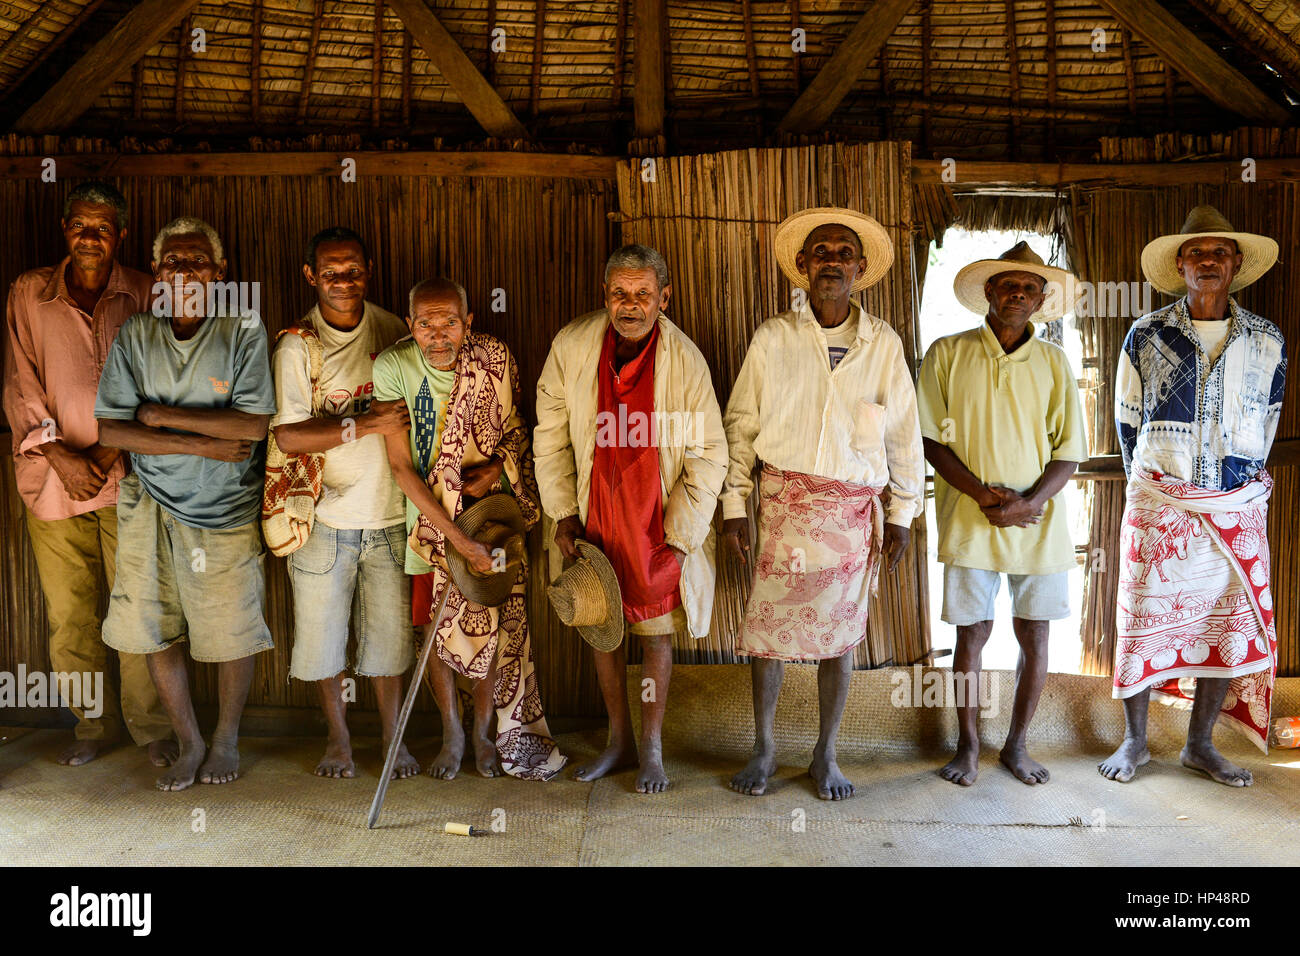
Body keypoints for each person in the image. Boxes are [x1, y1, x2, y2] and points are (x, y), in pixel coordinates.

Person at [721, 207, 924, 801]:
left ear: (860, 270)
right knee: (768, 636)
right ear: (804, 265)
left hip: (853, 518)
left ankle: (825, 754)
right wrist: (734, 505)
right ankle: (764, 749)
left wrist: (904, 513)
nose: (832, 261)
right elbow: (740, 425)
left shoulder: (882, 345)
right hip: (783, 508)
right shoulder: (774, 338)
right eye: (821, 251)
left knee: (841, 638)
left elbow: (903, 435)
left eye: (843, 253)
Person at [1100, 205, 1285, 787]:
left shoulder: (1267, 340)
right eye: (1197, 253)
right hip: (1162, 505)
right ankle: (1135, 742)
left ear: (1235, 265)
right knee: (1143, 616)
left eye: (1219, 253)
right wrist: (1157, 490)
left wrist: (1238, 487)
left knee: (1227, 625)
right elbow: (1127, 422)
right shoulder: (1147, 334)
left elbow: (1269, 420)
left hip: (1235, 506)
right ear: (1180, 265)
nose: (1208, 261)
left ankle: (1199, 745)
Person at [535, 244, 727, 794]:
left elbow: (709, 453)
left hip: (654, 523)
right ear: (605, 294)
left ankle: (652, 750)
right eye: (620, 292)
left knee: (655, 636)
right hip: (595, 516)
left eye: (644, 294)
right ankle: (618, 741)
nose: (631, 304)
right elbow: (547, 436)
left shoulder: (683, 360)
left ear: (664, 298)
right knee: (601, 628)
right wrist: (563, 512)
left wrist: (683, 537)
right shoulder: (572, 346)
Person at [96, 216, 277, 791]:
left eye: (197, 260)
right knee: (154, 624)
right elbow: (111, 431)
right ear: (157, 273)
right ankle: (190, 740)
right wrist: (203, 442)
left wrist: (160, 415)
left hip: (224, 507)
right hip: (149, 502)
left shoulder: (242, 328)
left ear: (220, 273)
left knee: (230, 628)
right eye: (173, 261)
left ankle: (225, 739)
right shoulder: (136, 335)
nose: (185, 270)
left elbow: (252, 423)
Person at [3, 180, 174, 769]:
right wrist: (60, 456)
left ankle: (151, 727)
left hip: (128, 479)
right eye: (80, 225)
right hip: (52, 483)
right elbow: (18, 383)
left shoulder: (146, 294)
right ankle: (91, 725)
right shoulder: (29, 293)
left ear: (121, 235)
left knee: (137, 605)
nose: (90, 237)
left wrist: (103, 457)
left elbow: (158, 388)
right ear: (64, 230)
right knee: (71, 612)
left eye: (102, 227)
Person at [374, 278, 565, 781]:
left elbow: (518, 429)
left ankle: (483, 731)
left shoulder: (493, 358)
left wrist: (500, 467)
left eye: (450, 323)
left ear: (469, 322)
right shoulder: (392, 367)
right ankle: (451, 731)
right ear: (409, 324)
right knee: (435, 631)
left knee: (490, 625)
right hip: (429, 527)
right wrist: (460, 542)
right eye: (426, 325)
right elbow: (400, 469)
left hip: (491, 518)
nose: (439, 336)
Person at [917, 241, 1087, 787]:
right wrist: (983, 497)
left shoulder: (1055, 362)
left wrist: (1028, 502)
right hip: (972, 518)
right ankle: (967, 747)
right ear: (988, 293)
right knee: (972, 634)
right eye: (1008, 284)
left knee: (1035, 633)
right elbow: (930, 440)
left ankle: (1016, 746)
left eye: (1030, 287)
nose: (1018, 292)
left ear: (1040, 302)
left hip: (1039, 524)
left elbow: (1068, 450)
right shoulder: (947, 353)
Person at [270, 227, 417, 779]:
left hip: (388, 515)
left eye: (352, 268)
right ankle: (338, 740)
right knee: (324, 643)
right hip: (323, 520)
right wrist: (365, 423)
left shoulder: (394, 330)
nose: (343, 280)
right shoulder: (297, 345)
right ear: (311, 277)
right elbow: (288, 438)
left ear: (369, 268)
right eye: (330, 271)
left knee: (388, 645)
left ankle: (393, 740)